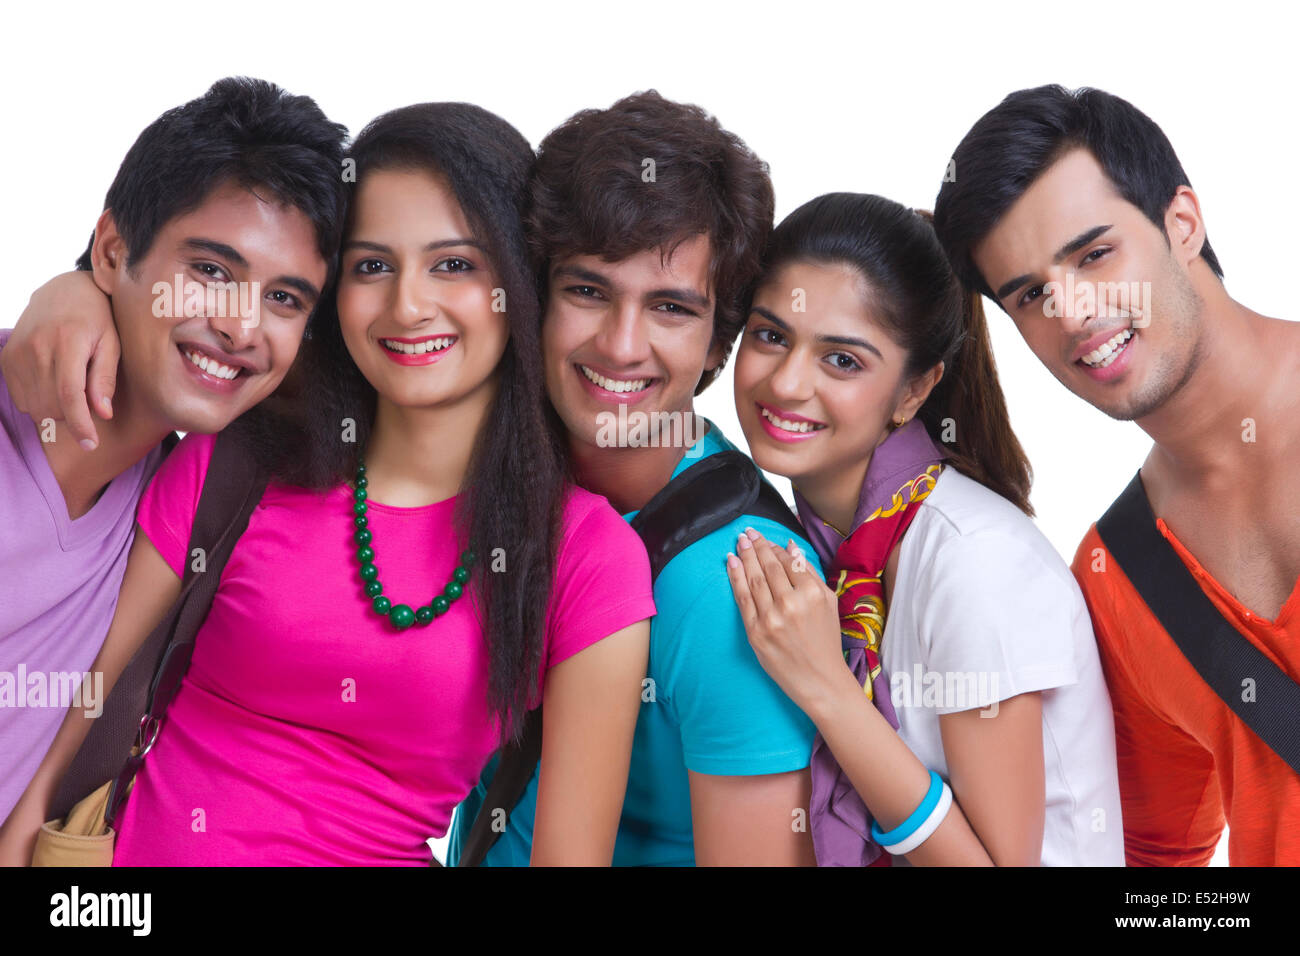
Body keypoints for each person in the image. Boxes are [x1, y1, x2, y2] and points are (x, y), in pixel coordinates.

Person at [0, 101, 653, 865]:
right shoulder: (239, 459)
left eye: (455, 264)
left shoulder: (587, 555)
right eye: (372, 266)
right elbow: (87, 711)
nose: (408, 306)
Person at [448, 91, 826, 866]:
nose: (622, 345)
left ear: (720, 342)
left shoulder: (732, 588)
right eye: (588, 291)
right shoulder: (493, 454)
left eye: (670, 309)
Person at [933, 85, 1300, 866]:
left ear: (1183, 223)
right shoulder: (1118, 577)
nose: (1070, 312)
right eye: (1029, 295)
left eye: (1094, 255)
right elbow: (1156, 870)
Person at [725, 192, 1124, 865]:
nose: (787, 383)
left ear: (915, 391)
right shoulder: (817, 541)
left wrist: (828, 690)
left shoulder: (973, 561)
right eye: (771, 335)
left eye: (842, 360)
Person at [0, 76, 348, 826]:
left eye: (285, 299)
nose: (241, 328)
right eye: (212, 271)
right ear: (112, 249)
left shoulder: (181, 508)